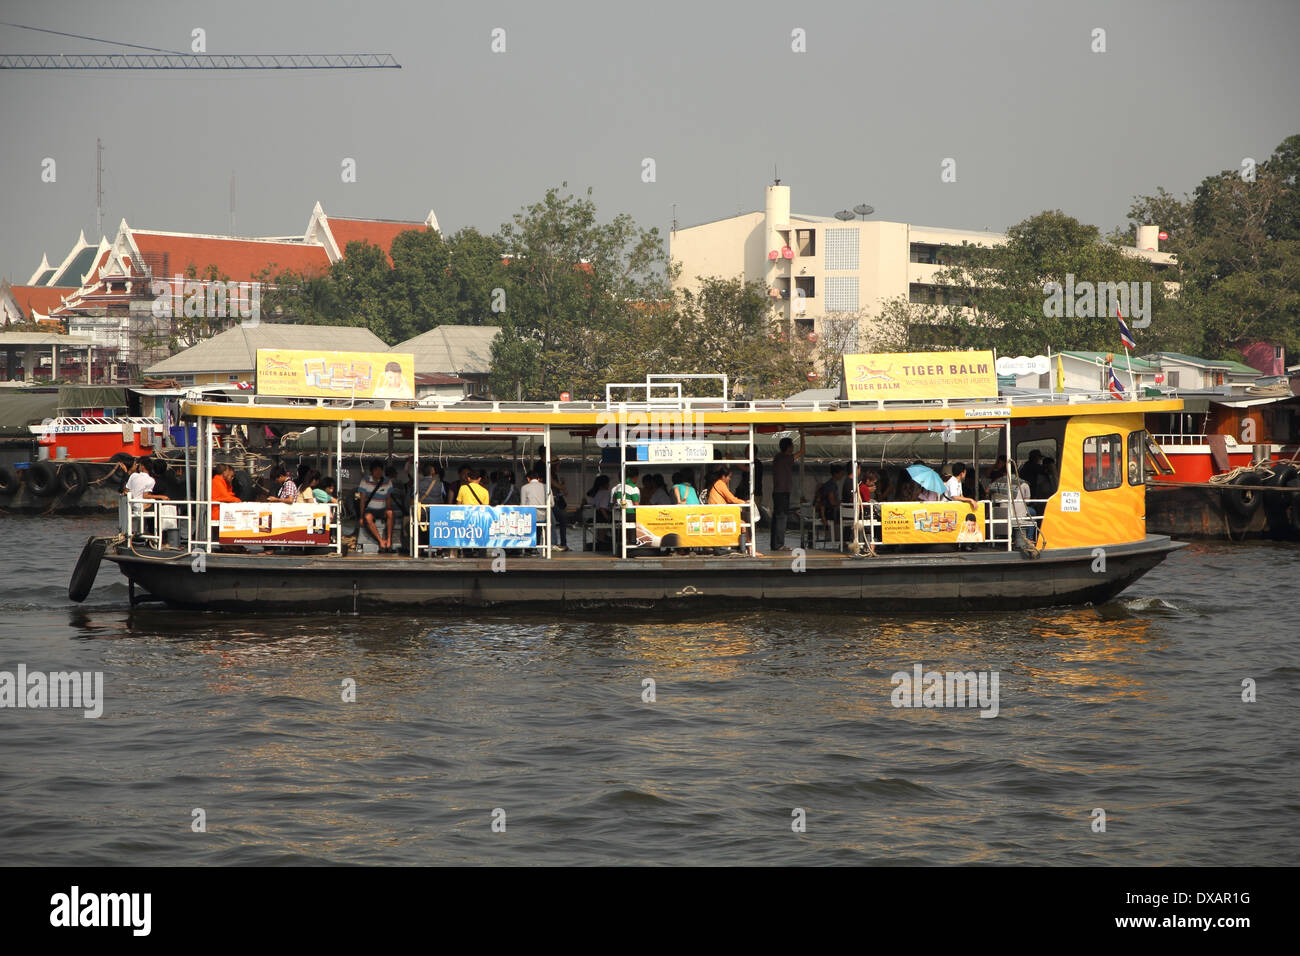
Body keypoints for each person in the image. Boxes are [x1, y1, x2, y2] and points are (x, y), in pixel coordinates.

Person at [769, 434, 805, 552]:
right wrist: (802, 434)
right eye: (792, 446)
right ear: (788, 447)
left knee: (776, 519)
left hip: (777, 492)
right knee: (782, 519)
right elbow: (803, 451)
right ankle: (779, 545)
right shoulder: (786, 458)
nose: (793, 448)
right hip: (783, 492)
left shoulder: (777, 457)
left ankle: (774, 544)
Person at [357, 461, 395, 553]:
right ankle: (381, 541)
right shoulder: (365, 481)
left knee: (390, 513)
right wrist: (361, 517)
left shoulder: (387, 482)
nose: (379, 472)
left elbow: (388, 499)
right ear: (371, 471)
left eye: (380, 470)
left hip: (382, 509)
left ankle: (389, 540)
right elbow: (362, 501)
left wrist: (388, 510)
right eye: (376, 470)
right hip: (370, 509)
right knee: (368, 517)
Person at [816, 465, 844, 544]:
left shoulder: (830, 484)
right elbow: (831, 501)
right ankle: (842, 539)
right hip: (828, 512)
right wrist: (840, 502)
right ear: (835, 474)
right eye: (841, 474)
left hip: (826, 511)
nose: (842, 476)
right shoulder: (831, 485)